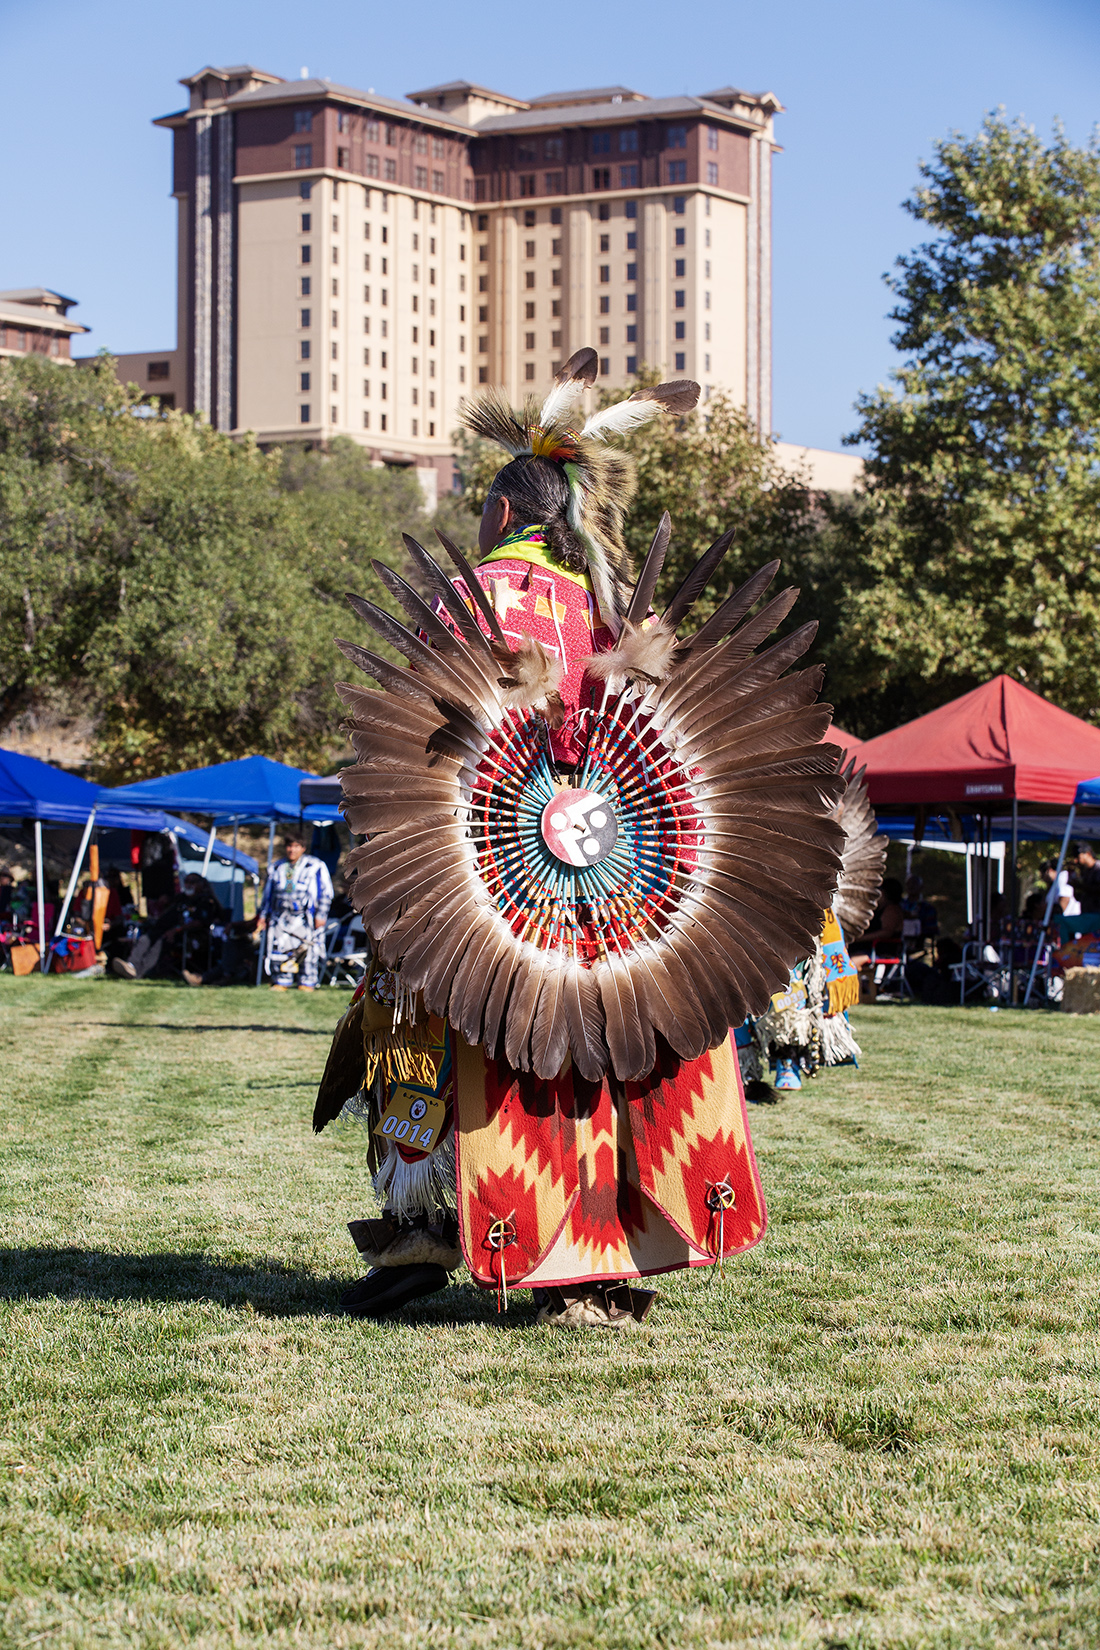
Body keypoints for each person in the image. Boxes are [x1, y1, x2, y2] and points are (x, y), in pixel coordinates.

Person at [310, 348, 848, 1326]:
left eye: (483, 509)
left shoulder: (478, 597)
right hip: (609, 885)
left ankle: (430, 1230)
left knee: (447, 1034)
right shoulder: (608, 613)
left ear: (507, 517)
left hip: (487, 870)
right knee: (597, 1057)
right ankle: (598, 1253)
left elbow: (430, 738)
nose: (477, 523)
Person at [257, 831, 333, 990]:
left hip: (305, 917)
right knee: (280, 947)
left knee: (307, 948)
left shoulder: (315, 866)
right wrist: (263, 915)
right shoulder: (277, 867)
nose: (292, 850)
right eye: (289, 846)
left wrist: (321, 915)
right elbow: (268, 895)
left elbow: (326, 893)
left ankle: (306, 981)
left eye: (296, 846)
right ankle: (281, 980)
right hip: (281, 916)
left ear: (303, 848)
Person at [111, 874, 224, 980]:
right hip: (168, 930)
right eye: (186, 881)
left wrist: (176, 930)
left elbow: (199, 923)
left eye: (192, 882)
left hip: (190, 935)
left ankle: (139, 972)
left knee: (160, 943)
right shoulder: (181, 898)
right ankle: (131, 965)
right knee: (146, 938)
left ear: (201, 884)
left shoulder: (206, 901)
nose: (189, 884)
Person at [849, 877, 905, 965]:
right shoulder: (877, 909)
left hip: (880, 951)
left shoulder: (892, 910)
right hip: (866, 948)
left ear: (885, 893)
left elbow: (886, 933)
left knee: (850, 963)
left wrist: (859, 939)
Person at [1071, 842, 1100, 912]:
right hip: (1087, 913)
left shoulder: (1098, 868)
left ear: (1087, 854)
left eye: (1078, 857)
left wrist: (1081, 886)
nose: (1076, 861)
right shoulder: (1084, 871)